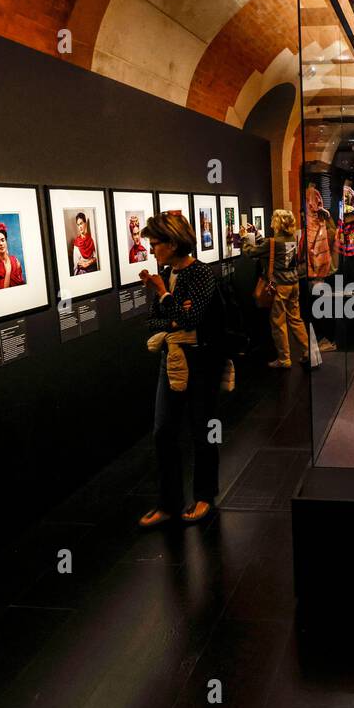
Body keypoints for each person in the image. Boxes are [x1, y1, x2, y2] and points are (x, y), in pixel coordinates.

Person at [138, 212, 224, 529]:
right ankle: (168, 502)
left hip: (201, 361)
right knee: (163, 431)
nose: (151, 249)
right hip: (171, 358)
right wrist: (173, 309)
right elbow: (153, 321)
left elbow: (188, 321)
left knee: (203, 430)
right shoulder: (166, 272)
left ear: (172, 243)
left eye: (155, 243)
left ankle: (204, 495)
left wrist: (163, 294)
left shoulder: (200, 274)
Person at [244, 208, 309, 368]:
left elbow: (251, 252)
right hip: (294, 283)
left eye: (274, 220)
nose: (272, 222)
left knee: (278, 322)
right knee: (295, 318)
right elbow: (269, 246)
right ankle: (308, 352)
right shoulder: (291, 237)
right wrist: (257, 235)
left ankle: (284, 359)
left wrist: (245, 239)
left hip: (280, 286)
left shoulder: (274, 242)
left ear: (278, 223)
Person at [298, 185, 337, 353]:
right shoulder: (319, 224)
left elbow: (317, 252)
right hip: (316, 273)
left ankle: (327, 340)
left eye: (308, 203)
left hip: (318, 274)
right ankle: (323, 339)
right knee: (317, 308)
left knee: (320, 309)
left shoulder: (321, 227)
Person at [0, 220, 25, 290]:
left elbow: (22, 284)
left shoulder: (15, 260)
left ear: (6, 242)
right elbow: (0, 292)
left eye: (2, 240)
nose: (1, 243)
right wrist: (8, 271)